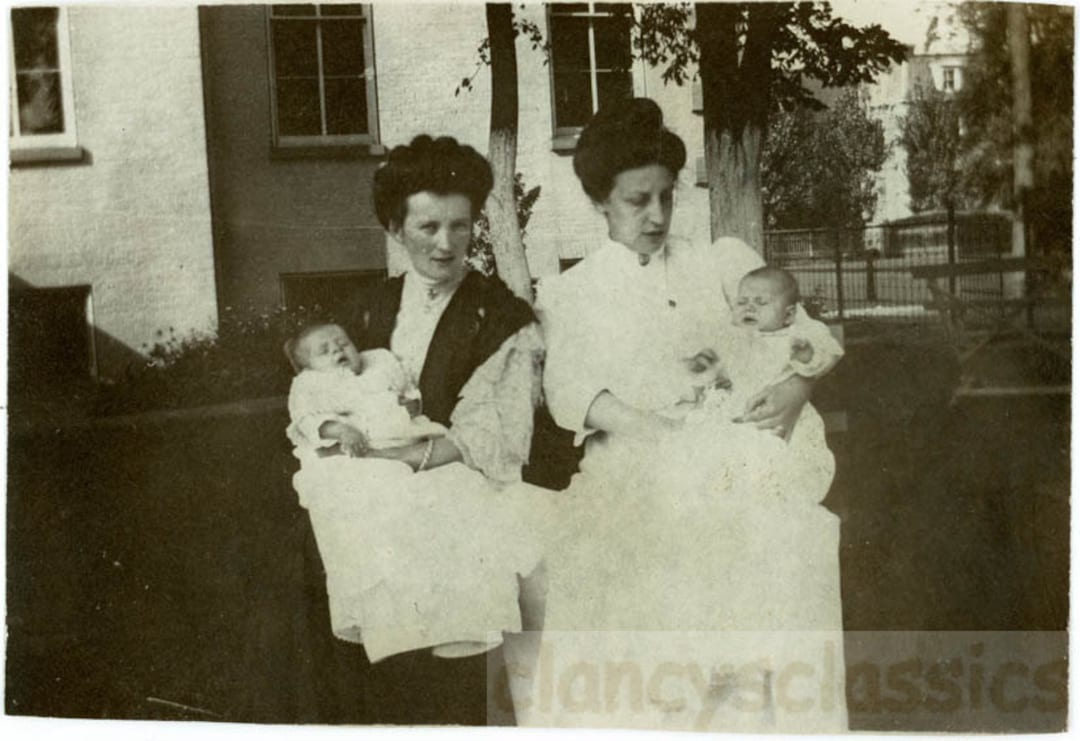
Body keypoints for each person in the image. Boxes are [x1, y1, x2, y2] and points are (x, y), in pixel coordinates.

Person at [526, 98, 847, 732]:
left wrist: (797, 389)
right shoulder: (572, 291)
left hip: (731, 445)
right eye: (635, 201)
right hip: (637, 454)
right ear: (599, 201)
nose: (656, 216)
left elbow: (805, 331)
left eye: (666, 197)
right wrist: (669, 438)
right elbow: (572, 393)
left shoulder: (719, 261)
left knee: (784, 539)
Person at [297, 134, 548, 726]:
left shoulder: (501, 314)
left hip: (458, 479)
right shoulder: (364, 312)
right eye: (428, 226)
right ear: (395, 228)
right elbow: (317, 397)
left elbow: (497, 434)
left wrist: (408, 460)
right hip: (363, 485)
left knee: (446, 574)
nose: (445, 244)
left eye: (460, 226)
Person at [659, 265, 841, 505]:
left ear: (788, 315)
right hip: (736, 408)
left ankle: (765, 493)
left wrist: (805, 354)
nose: (749, 307)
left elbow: (822, 356)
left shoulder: (791, 338)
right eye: (742, 301)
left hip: (778, 413)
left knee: (770, 455)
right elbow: (719, 367)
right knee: (711, 447)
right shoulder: (734, 338)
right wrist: (705, 364)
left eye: (761, 302)